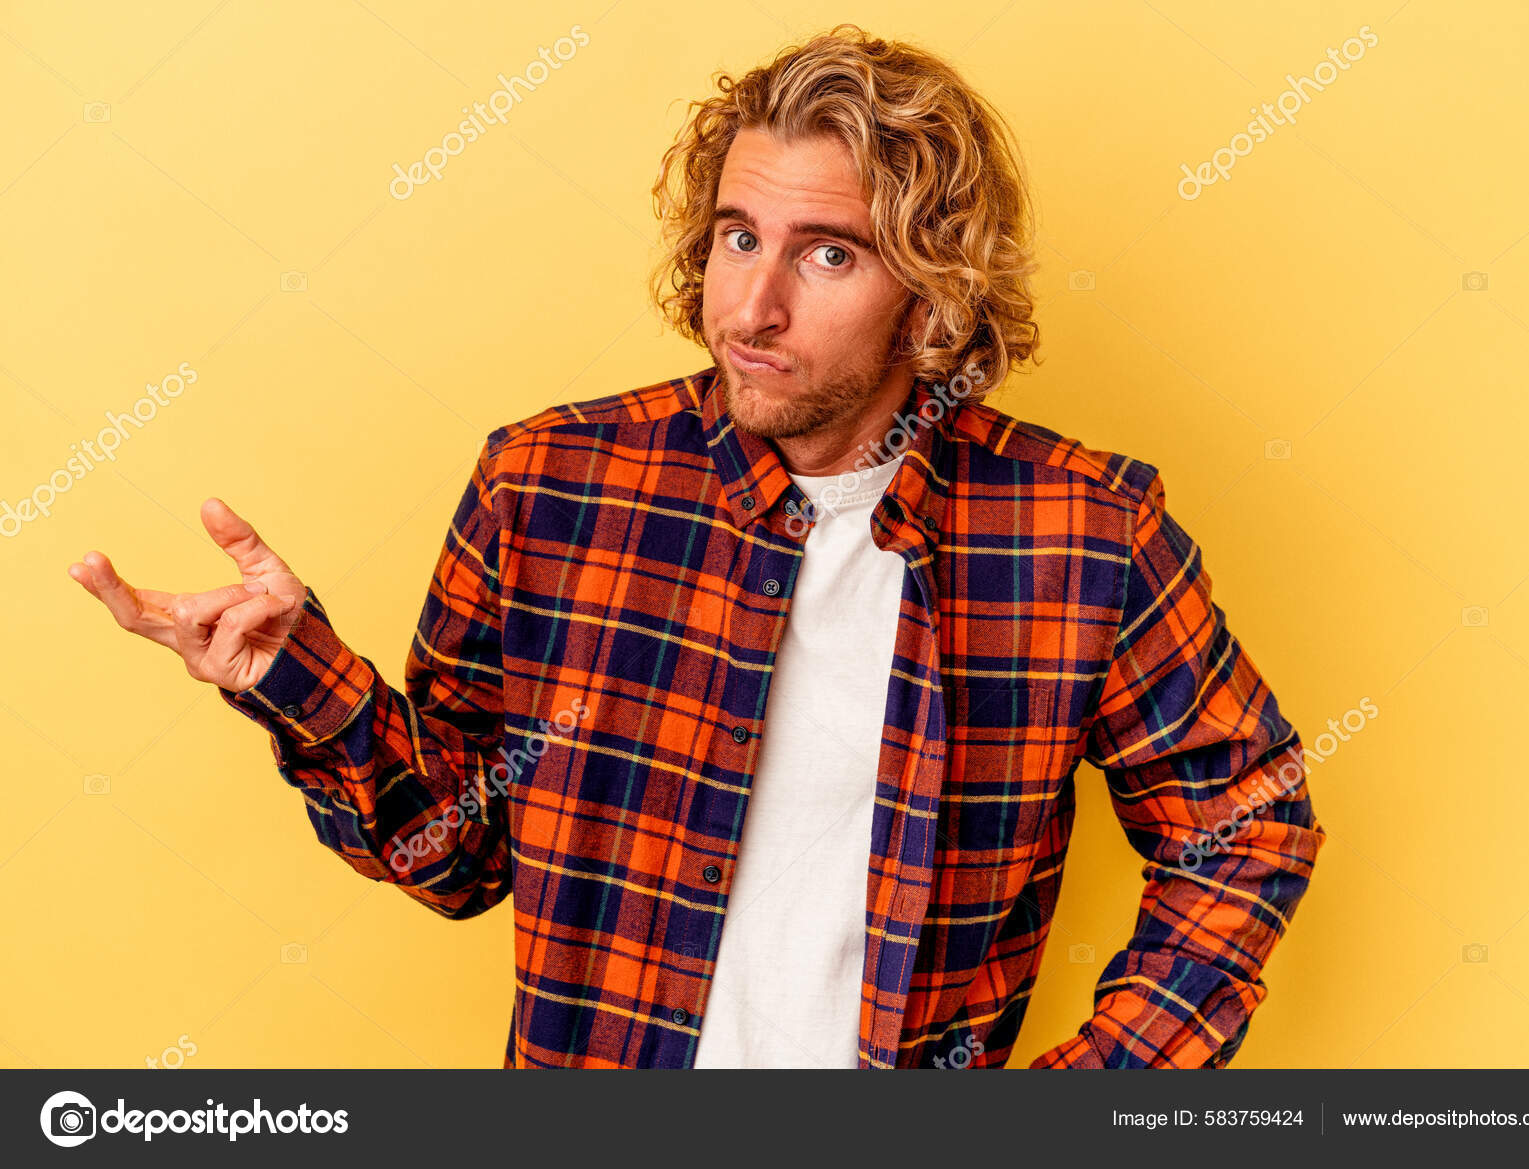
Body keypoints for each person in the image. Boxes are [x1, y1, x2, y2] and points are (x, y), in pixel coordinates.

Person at [68, 25, 1323, 1069]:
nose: (752, 307)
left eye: (827, 253)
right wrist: (298, 679)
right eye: (737, 236)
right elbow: (454, 855)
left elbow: (1250, 822)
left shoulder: (1081, 528)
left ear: (933, 290)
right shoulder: (548, 486)